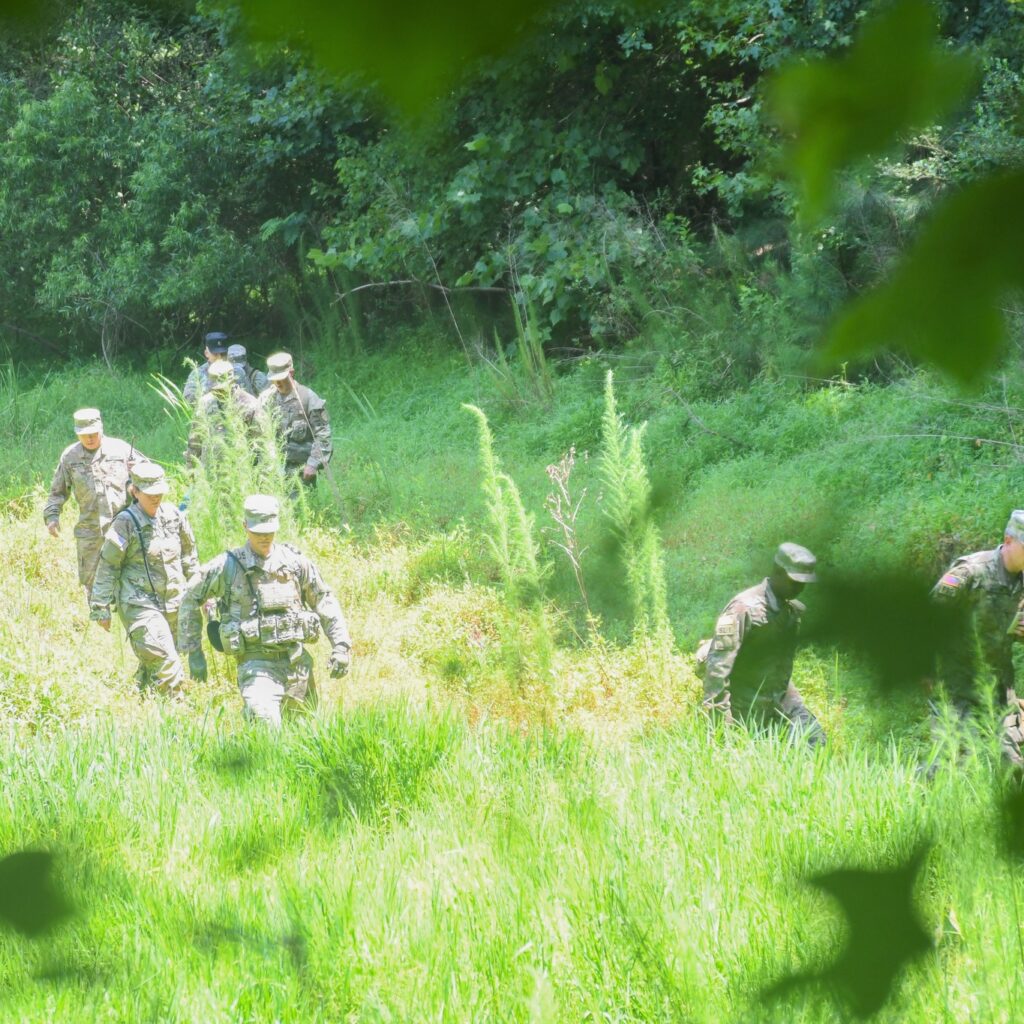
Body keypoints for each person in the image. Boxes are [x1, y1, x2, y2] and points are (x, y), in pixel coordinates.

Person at [177, 494, 351, 726]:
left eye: (269, 530)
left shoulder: (294, 562)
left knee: (304, 736)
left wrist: (341, 646)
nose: (265, 537)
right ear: (245, 527)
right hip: (255, 665)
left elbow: (324, 600)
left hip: (297, 665)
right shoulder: (228, 566)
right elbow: (190, 597)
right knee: (266, 722)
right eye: (258, 531)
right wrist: (194, 652)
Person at [90, 462, 200, 695]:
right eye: (149, 494)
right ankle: (177, 718)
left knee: (157, 660)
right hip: (139, 604)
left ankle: (140, 698)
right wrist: (100, 607)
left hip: (172, 602)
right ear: (135, 491)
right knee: (168, 664)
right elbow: (108, 565)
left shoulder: (174, 516)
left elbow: (189, 556)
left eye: (159, 493)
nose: (156, 498)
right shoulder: (125, 523)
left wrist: (199, 590)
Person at [700, 542, 825, 747]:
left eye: (803, 583)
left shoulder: (791, 612)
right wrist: (721, 724)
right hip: (744, 704)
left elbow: (780, 667)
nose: (799, 588)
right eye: (794, 581)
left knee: (814, 739)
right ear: (777, 571)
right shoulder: (744, 608)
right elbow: (718, 667)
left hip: (776, 699)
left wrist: (792, 706)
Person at [930, 511, 1024, 767]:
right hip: (957, 684)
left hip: (999, 689)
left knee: (1011, 767)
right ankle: (915, 795)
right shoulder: (971, 572)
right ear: (1008, 540)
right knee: (954, 763)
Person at [43, 408, 145, 595]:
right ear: (77, 433)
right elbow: (57, 492)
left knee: (130, 578)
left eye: (93, 434)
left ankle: (127, 615)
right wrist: (52, 516)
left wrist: (138, 470)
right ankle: (99, 618)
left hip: (123, 526)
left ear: (101, 429)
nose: (89, 438)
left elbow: (151, 479)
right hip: (89, 531)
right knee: (92, 583)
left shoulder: (121, 449)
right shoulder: (70, 457)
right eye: (84, 435)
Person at [258, 352, 332, 486]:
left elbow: (323, 435)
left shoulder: (307, 398)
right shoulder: (266, 399)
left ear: (291, 373)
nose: (277, 382)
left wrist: (313, 464)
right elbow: (259, 433)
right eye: (274, 378)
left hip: (300, 472)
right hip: (272, 471)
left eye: (281, 377)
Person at [184, 358, 262, 469]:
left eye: (221, 389)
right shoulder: (204, 403)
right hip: (211, 476)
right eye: (214, 389)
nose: (217, 393)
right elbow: (195, 443)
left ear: (232, 383)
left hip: (242, 477)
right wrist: (190, 471)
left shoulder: (250, 405)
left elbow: (263, 447)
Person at [182, 331, 233, 403]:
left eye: (223, 354)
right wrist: (210, 388)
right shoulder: (197, 373)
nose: (219, 357)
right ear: (206, 353)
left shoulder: (235, 370)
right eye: (215, 354)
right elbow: (188, 400)